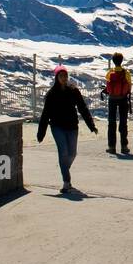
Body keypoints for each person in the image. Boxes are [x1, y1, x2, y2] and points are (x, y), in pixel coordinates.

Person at [37, 65, 98, 194]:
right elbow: (45, 114)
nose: (64, 78)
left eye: (65, 76)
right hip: (57, 127)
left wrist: (91, 125)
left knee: (72, 153)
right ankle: (66, 182)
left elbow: (83, 108)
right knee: (63, 152)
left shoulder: (73, 91)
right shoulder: (51, 94)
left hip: (72, 127)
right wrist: (40, 133)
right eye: (61, 76)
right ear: (56, 77)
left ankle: (64, 169)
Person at [104, 52, 132, 155]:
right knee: (123, 122)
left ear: (113, 61)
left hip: (112, 99)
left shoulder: (110, 72)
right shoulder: (126, 73)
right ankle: (124, 146)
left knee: (111, 122)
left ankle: (112, 147)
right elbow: (129, 86)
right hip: (123, 99)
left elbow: (107, 86)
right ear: (121, 61)